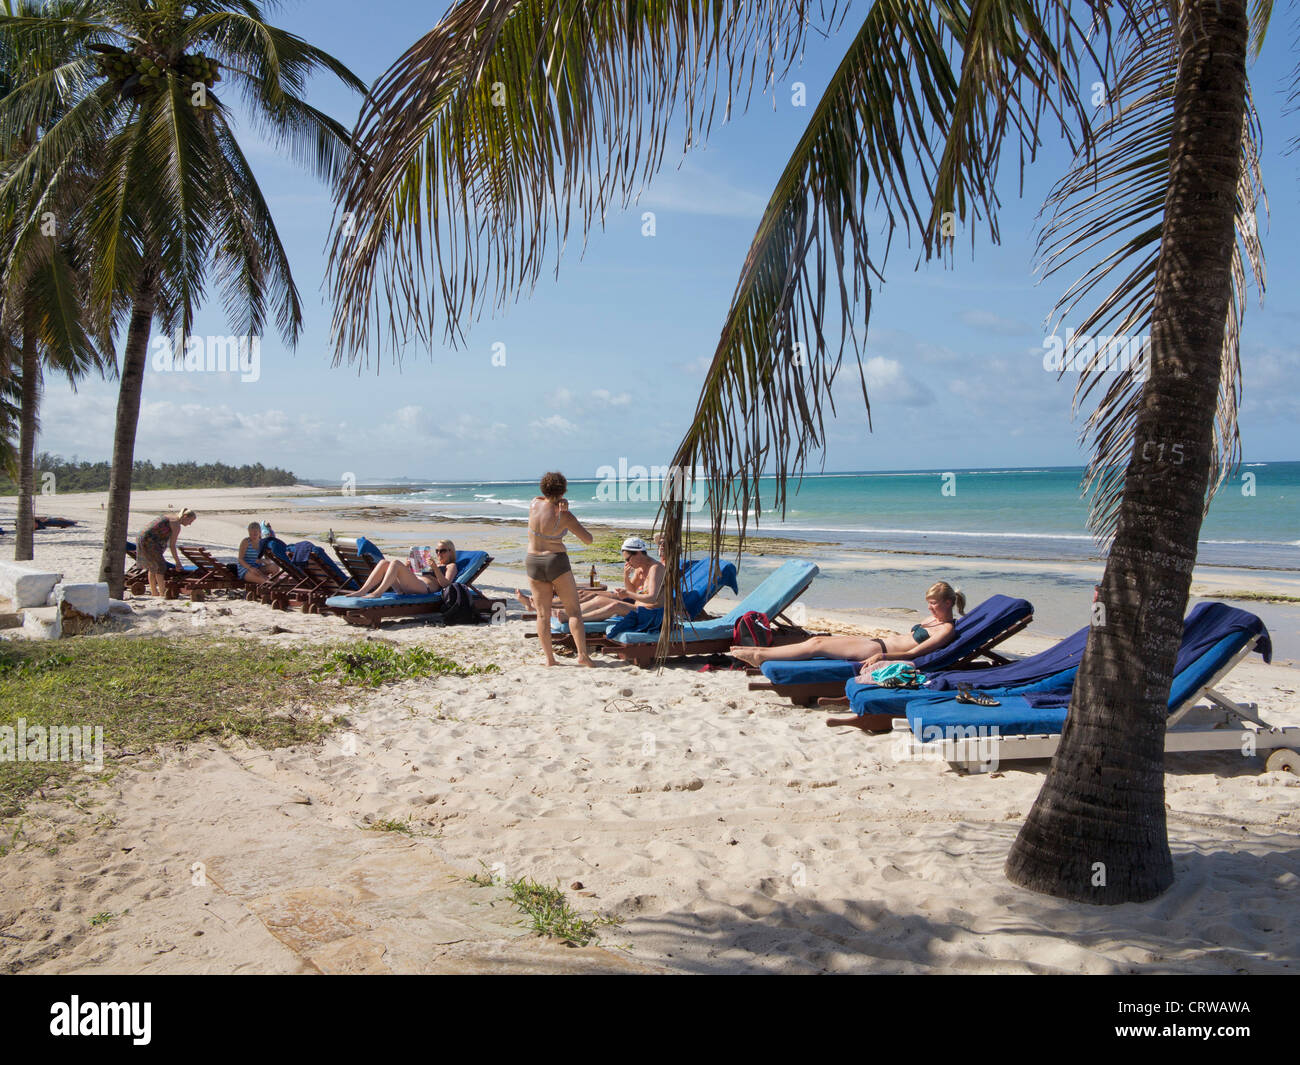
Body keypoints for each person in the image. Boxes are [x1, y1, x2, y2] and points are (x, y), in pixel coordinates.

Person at [729, 581, 966, 668]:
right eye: (929, 603)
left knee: (817, 645)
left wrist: (882, 658)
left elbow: (915, 652)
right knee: (814, 641)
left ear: (948, 602)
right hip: (876, 642)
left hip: (878, 651)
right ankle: (761, 652)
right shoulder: (931, 620)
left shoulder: (946, 630)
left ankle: (761, 655)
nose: (930, 608)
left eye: (934, 604)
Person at [524, 472, 596, 666]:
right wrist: (566, 510)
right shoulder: (564, 515)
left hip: (532, 561)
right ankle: (582, 655)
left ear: (543, 488)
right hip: (555, 560)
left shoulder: (533, 504)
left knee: (542, 614)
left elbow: (543, 500)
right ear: (563, 490)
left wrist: (560, 501)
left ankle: (549, 659)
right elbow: (588, 539)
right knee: (573, 611)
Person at [516, 536, 665, 622]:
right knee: (598, 600)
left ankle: (572, 618)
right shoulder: (639, 569)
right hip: (637, 607)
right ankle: (564, 612)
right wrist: (626, 577)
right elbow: (632, 590)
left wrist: (627, 595)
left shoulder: (655, 568)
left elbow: (651, 598)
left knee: (614, 606)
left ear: (638, 553)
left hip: (651, 613)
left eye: (628, 558)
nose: (627, 562)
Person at [350, 539, 459, 597]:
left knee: (396, 563)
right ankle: (362, 591)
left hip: (425, 588)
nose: (439, 554)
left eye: (443, 551)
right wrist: (408, 566)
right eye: (437, 551)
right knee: (384, 562)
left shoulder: (451, 566)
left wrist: (435, 568)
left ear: (450, 551)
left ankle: (378, 593)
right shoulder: (433, 563)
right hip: (412, 584)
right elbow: (416, 573)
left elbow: (446, 584)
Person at [136, 508, 197, 596]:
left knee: (152, 567)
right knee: (161, 566)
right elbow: (172, 545)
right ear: (185, 516)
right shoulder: (176, 524)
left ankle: (154, 592)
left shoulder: (170, 516)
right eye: (190, 521)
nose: (190, 524)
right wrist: (177, 562)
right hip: (150, 541)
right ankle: (162, 592)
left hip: (142, 537)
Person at [235, 521, 282, 586]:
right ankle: (273, 587)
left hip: (258, 568)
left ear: (260, 533)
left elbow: (269, 561)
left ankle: (274, 586)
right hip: (246, 569)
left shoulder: (263, 543)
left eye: (255, 534)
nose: (252, 536)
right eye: (250, 534)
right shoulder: (246, 542)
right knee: (266, 581)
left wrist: (262, 561)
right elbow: (240, 559)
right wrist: (251, 568)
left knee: (275, 567)